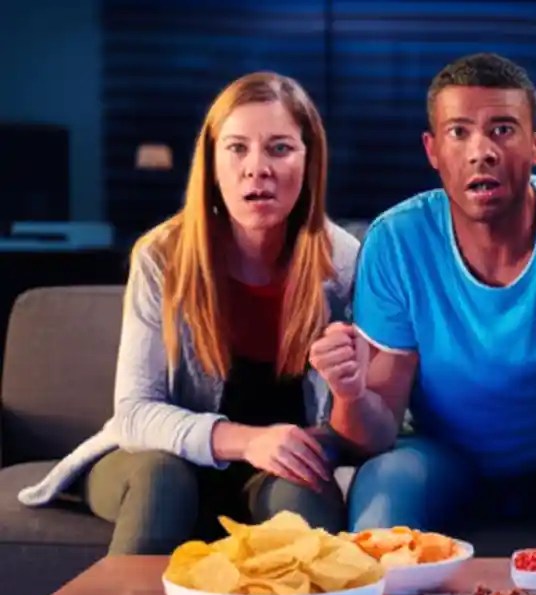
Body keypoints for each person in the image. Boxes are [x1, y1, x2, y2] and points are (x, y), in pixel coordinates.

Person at [18, 72, 358, 554]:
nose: (256, 168)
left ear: (310, 160)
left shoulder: (343, 261)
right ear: (212, 163)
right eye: (237, 148)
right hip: (162, 459)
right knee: (163, 478)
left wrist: (334, 416)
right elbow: (135, 413)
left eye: (280, 148)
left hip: (273, 470)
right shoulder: (162, 256)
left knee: (305, 489)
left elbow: (369, 420)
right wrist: (246, 440)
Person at [310, 53, 536, 541]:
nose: (480, 151)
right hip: (444, 458)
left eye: (502, 130)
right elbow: (375, 435)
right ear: (432, 150)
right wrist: (350, 392)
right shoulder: (398, 239)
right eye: (458, 132)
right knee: (384, 485)